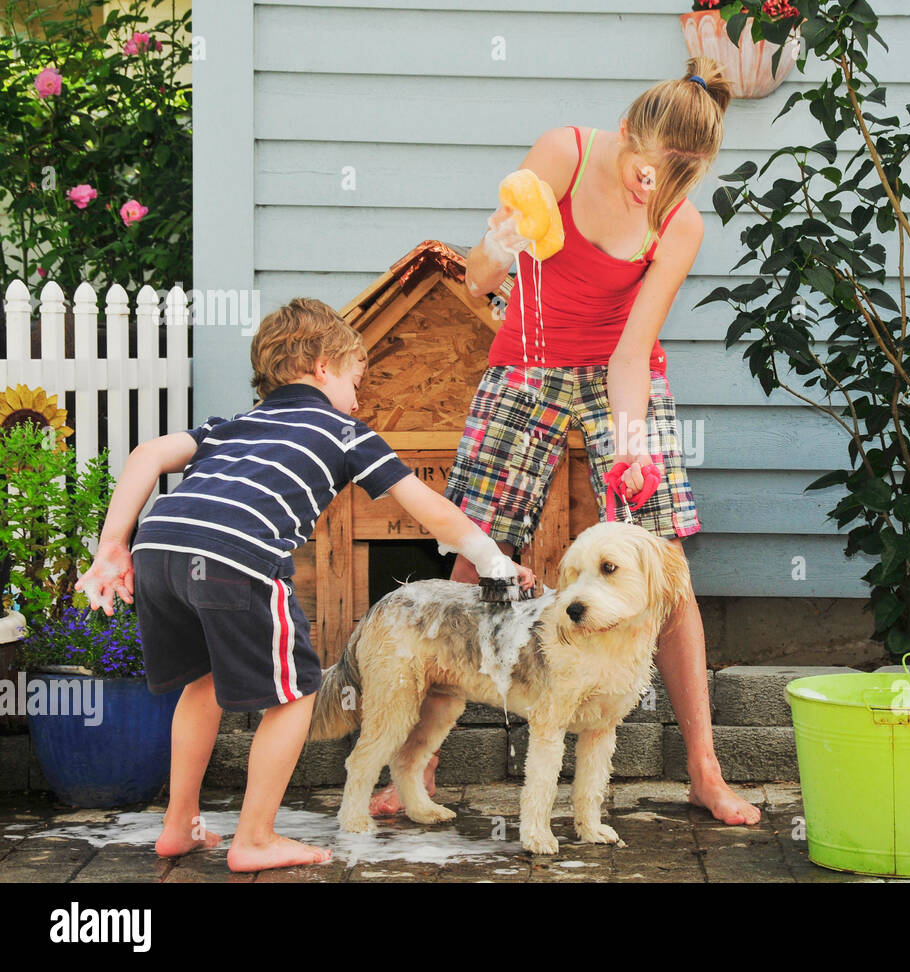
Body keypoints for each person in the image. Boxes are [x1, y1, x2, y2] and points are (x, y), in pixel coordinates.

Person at [369, 57, 762, 827]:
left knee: (666, 565)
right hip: (526, 363)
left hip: (618, 374)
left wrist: (628, 447)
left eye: (679, 176)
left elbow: (629, 353)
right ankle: (417, 765)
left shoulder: (679, 223)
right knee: (472, 556)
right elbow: (481, 278)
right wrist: (505, 239)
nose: (654, 187)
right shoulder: (563, 153)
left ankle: (705, 771)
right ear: (624, 132)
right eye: (649, 168)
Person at [74, 298, 535, 872]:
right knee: (296, 695)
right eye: (355, 380)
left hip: (162, 545)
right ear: (323, 366)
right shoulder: (344, 431)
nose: (358, 398)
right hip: (235, 555)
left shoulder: (232, 425)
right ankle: (255, 838)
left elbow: (147, 454)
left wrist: (111, 544)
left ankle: (178, 825)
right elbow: (430, 511)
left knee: (201, 685)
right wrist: (493, 561)